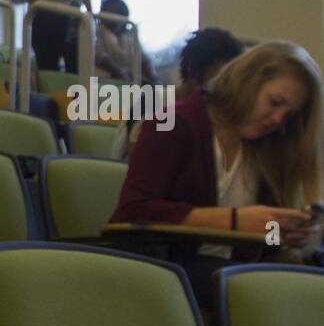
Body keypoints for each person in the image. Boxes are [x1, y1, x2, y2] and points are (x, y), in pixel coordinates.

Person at [111, 41, 323, 299]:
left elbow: (264, 245)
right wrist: (235, 221)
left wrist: (285, 235)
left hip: (233, 274)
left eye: (289, 116)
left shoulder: (268, 149)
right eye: (275, 102)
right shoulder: (170, 123)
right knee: (267, 294)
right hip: (168, 269)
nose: (278, 120)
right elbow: (131, 212)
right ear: (247, 82)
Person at [111, 27, 243, 159]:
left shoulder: (217, 113)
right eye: (219, 79)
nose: (224, 87)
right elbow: (134, 160)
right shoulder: (151, 105)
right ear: (193, 70)